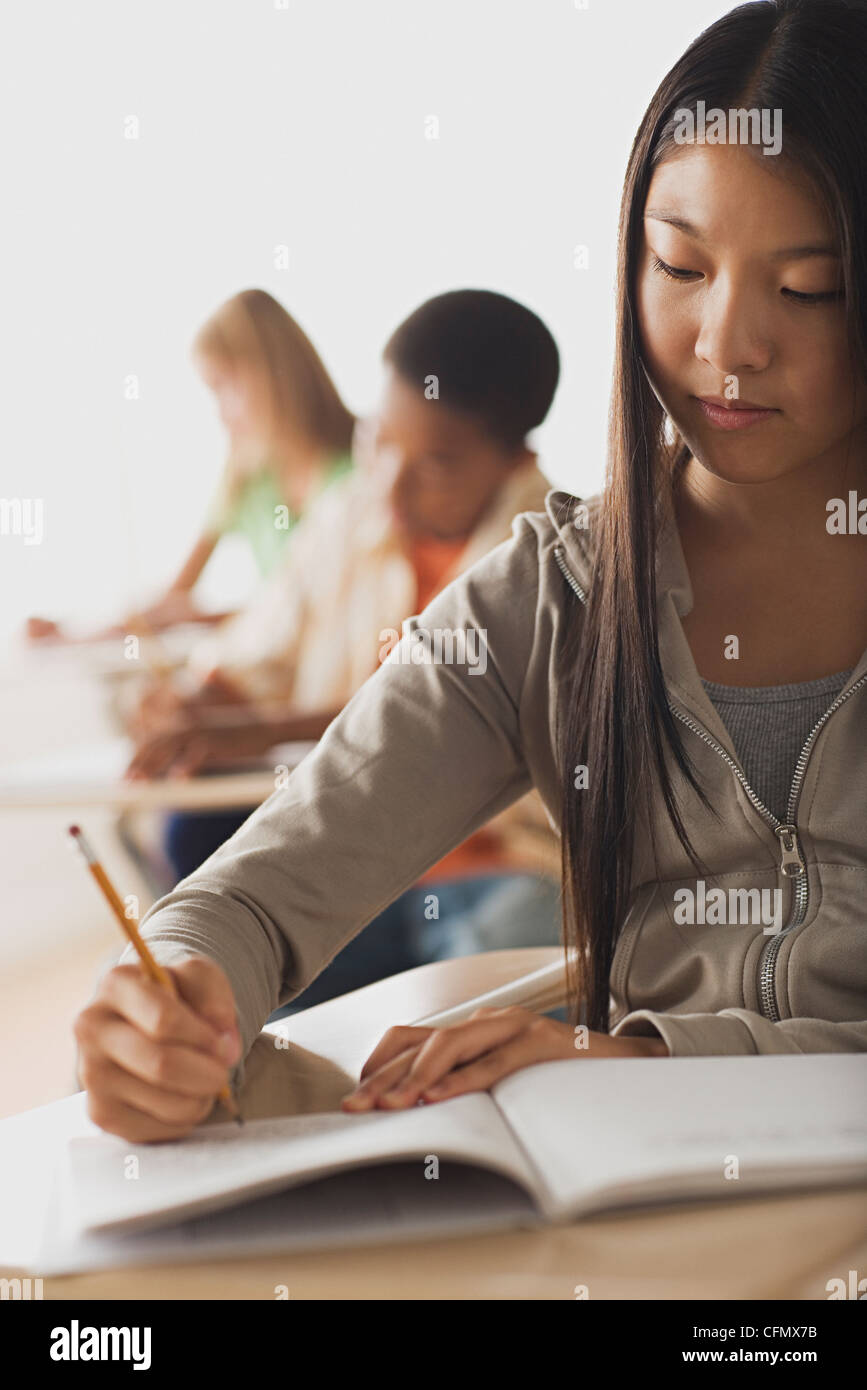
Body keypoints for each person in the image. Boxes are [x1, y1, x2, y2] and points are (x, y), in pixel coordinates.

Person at [75, 0, 867, 1145]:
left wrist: (642, 1058)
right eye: (679, 263)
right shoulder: (554, 593)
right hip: (655, 1234)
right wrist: (177, 991)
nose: (725, 342)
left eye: (808, 287)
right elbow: (266, 882)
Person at [125, 289, 565, 1003]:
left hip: (496, 872)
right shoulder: (351, 512)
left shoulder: (551, 566)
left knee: (487, 991)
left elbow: (432, 715)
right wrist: (197, 699)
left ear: (515, 458)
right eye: (382, 439)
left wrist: (258, 726)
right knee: (208, 964)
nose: (391, 482)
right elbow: (257, 652)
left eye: (439, 460)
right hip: (353, 871)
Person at [26, 288, 354, 640]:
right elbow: (175, 599)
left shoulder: (359, 474)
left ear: (273, 374)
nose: (221, 413)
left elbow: (326, 617)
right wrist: (79, 633)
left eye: (223, 385)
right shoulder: (247, 475)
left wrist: (204, 619)